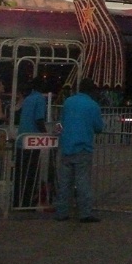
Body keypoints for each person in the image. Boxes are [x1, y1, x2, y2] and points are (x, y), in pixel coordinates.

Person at [55, 77, 105, 223]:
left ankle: (62, 212)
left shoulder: (68, 102)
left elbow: (62, 122)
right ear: (91, 90)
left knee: (65, 183)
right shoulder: (93, 105)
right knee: (82, 182)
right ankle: (85, 213)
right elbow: (98, 128)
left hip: (67, 147)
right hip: (83, 148)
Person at [14, 77, 47, 208]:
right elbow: (39, 120)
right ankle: (27, 202)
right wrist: (46, 135)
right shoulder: (40, 99)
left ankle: (17, 201)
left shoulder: (28, 99)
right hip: (32, 142)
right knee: (30, 173)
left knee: (20, 174)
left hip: (21, 140)